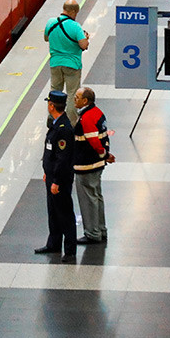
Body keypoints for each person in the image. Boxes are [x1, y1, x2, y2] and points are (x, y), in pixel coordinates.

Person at [35, 90, 77, 260]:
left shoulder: (63, 129)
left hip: (60, 180)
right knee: (53, 211)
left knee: (64, 213)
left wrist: (57, 181)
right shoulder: (56, 124)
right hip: (52, 176)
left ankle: (70, 251)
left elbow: (63, 159)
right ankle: (54, 243)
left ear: (51, 106)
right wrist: (48, 173)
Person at [73, 86, 114, 245]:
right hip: (97, 164)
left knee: (88, 200)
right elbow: (103, 139)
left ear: (85, 101)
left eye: (77, 97)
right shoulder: (98, 113)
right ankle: (101, 229)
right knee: (96, 197)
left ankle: (92, 233)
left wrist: (104, 155)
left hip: (86, 165)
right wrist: (106, 155)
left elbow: (94, 142)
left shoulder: (87, 117)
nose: (74, 99)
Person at [45, 0, 89, 123]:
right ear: (74, 11)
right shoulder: (75, 26)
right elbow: (83, 45)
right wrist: (86, 38)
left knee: (54, 92)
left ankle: (53, 119)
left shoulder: (51, 22)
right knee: (72, 95)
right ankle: (70, 123)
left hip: (55, 63)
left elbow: (46, 38)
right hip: (72, 65)